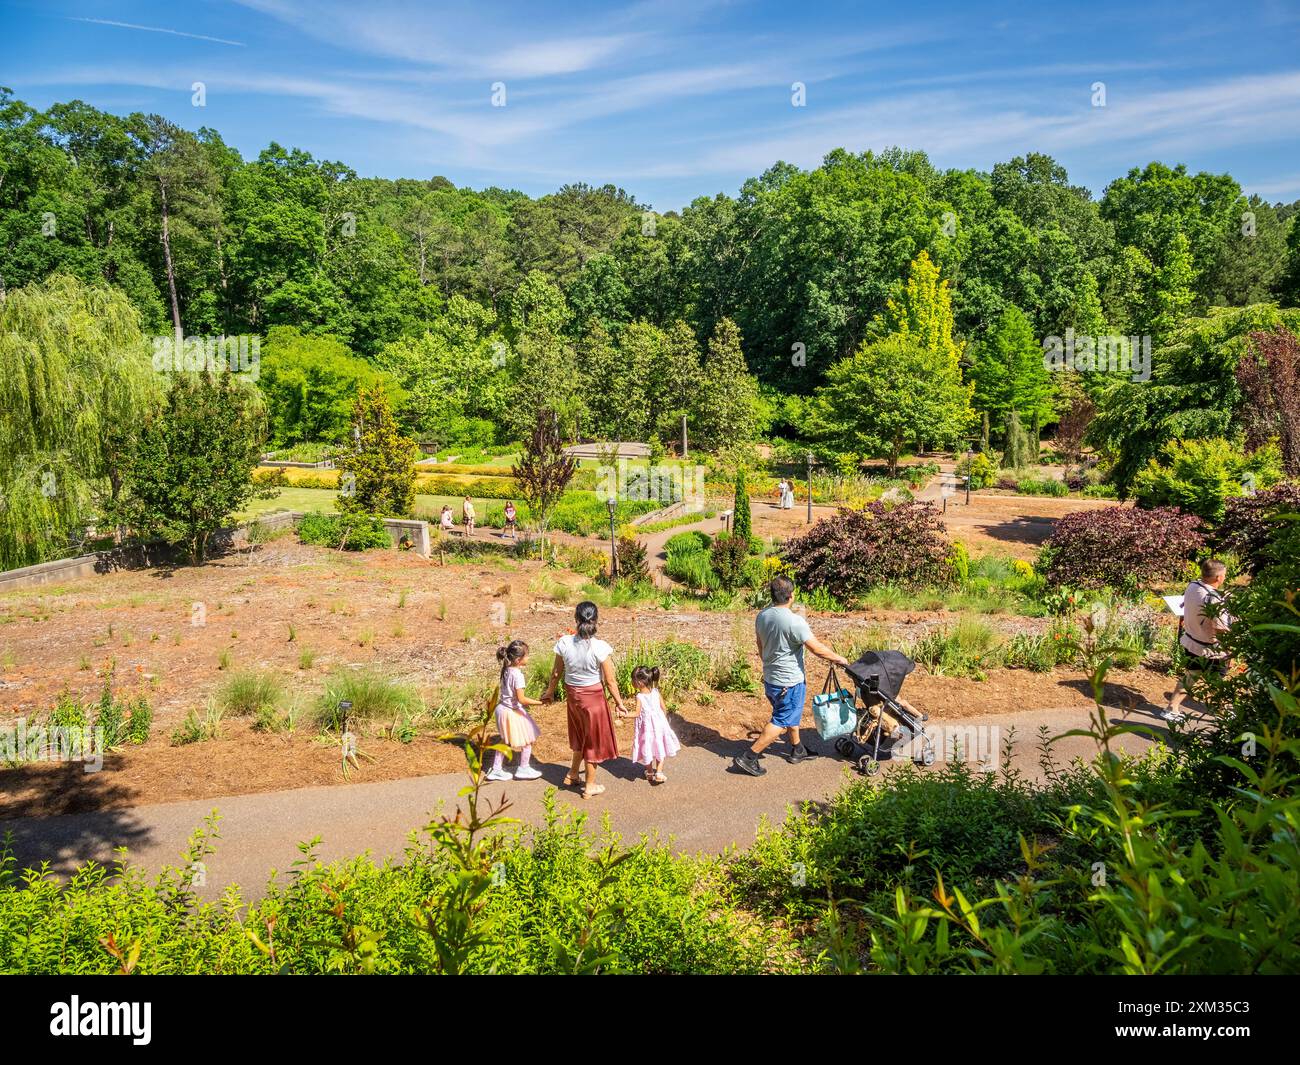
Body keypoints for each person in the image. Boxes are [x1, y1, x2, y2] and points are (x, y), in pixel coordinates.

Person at [734, 575, 848, 776]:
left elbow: (760, 645)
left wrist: (769, 663)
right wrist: (839, 659)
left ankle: (798, 749)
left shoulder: (762, 615)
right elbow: (816, 648)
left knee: (788, 714)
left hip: (771, 678)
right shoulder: (796, 622)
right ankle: (749, 757)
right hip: (790, 681)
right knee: (781, 720)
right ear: (791, 596)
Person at [542, 601, 627, 798]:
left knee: (579, 734)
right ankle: (590, 785)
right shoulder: (600, 647)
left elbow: (556, 673)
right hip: (593, 697)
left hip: (573, 695)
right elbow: (611, 680)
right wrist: (619, 703)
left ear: (576, 619)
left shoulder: (564, 642)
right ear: (596, 620)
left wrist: (549, 692)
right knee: (593, 740)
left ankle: (572, 774)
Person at [1163, 558, 1234, 723]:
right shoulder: (1215, 599)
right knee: (1218, 680)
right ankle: (1223, 712)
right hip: (1211, 648)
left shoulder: (1193, 586)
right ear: (1218, 578)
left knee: (1190, 675)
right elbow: (1221, 629)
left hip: (1191, 640)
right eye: (1224, 575)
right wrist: (1229, 651)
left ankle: (1172, 708)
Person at [486, 640, 543, 781]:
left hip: (502, 709)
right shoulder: (518, 675)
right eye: (527, 655)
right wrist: (540, 702)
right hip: (512, 712)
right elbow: (522, 699)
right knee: (527, 741)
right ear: (518, 660)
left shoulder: (506, 669)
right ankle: (523, 768)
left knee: (505, 740)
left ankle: (496, 769)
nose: (528, 658)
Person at [630, 665, 680, 784]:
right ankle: (659, 772)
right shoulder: (656, 692)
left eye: (633, 679)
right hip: (659, 726)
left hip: (646, 729)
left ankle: (650, 772)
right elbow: (664, 708)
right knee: (659, 746)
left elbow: (637, 713)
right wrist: (664, 722)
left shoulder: (640, 697)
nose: (632, 682)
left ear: (639, 682)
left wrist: (624, 714)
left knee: (646, 746)